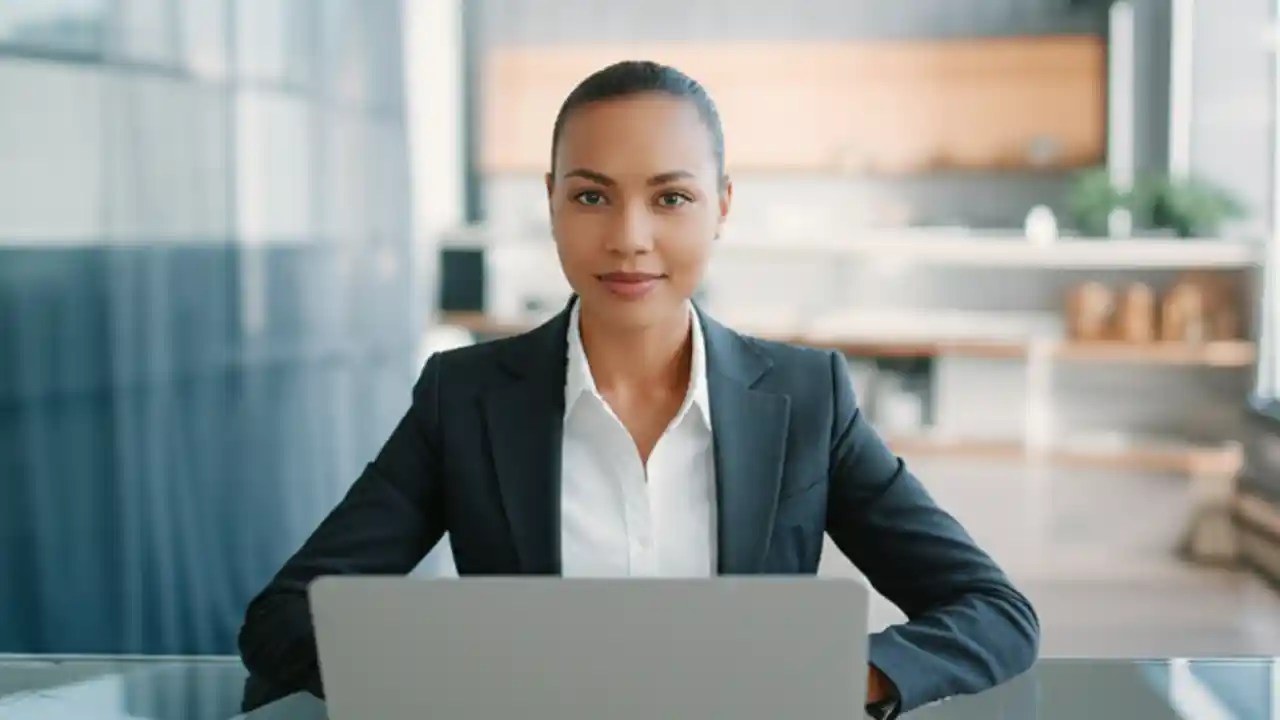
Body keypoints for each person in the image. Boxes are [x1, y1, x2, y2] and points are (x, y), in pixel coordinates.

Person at [238, 60, 1039, 718]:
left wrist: (835, 682)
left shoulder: (806, 399)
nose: (628, 237)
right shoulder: (465, 397)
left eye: (671, 197)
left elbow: (994, 613)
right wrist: (463, 681)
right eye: (591, 196)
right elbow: (281, 623)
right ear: (550, 204)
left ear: (721, 207)